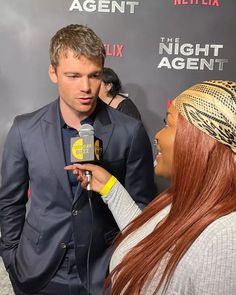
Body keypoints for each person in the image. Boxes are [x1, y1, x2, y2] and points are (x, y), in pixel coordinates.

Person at [0, 24, 156, 295]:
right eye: (73, 76)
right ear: (53, 73)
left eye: (94, 76)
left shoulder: (130, 132)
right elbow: (10, 202)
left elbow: (141, 207)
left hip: (103, 274)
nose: (85, 87)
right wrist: (12, 257)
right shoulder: (25, 130)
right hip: (36, 270)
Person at [66, 80, 236, 294]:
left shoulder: (226, 238)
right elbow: (146, 239)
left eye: (168, 124)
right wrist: (110, 187)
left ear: (203, 142)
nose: (157, 135)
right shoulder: (184, 199)